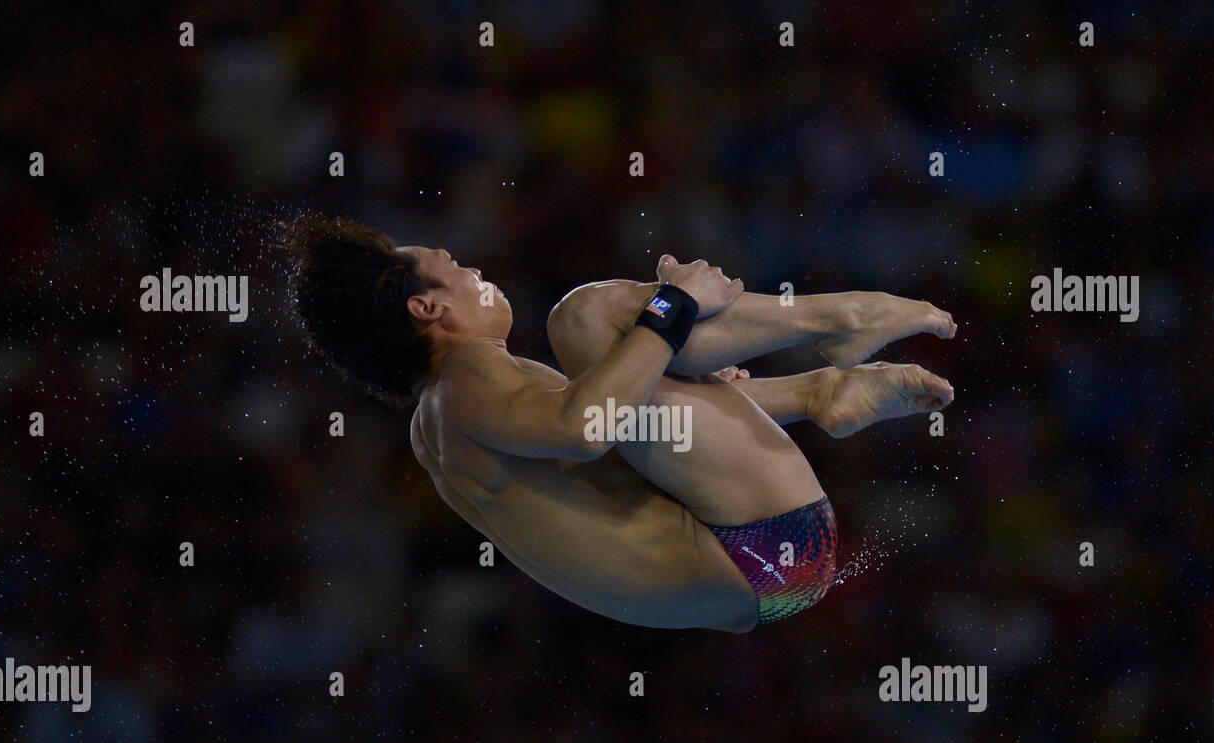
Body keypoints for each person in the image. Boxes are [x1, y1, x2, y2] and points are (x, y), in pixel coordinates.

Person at [282, 215, 955, 632]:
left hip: (768, 578)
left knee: (635, 363)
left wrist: (688, 385)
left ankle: (820, 387)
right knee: (584, 318)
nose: (477, 269)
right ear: (427, 308)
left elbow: (618, 432)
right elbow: (587, 426)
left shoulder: (453, 426)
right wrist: (676, 306)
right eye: (456, 268)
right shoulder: (462, 382)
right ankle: (843, 318)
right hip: (756, 543)